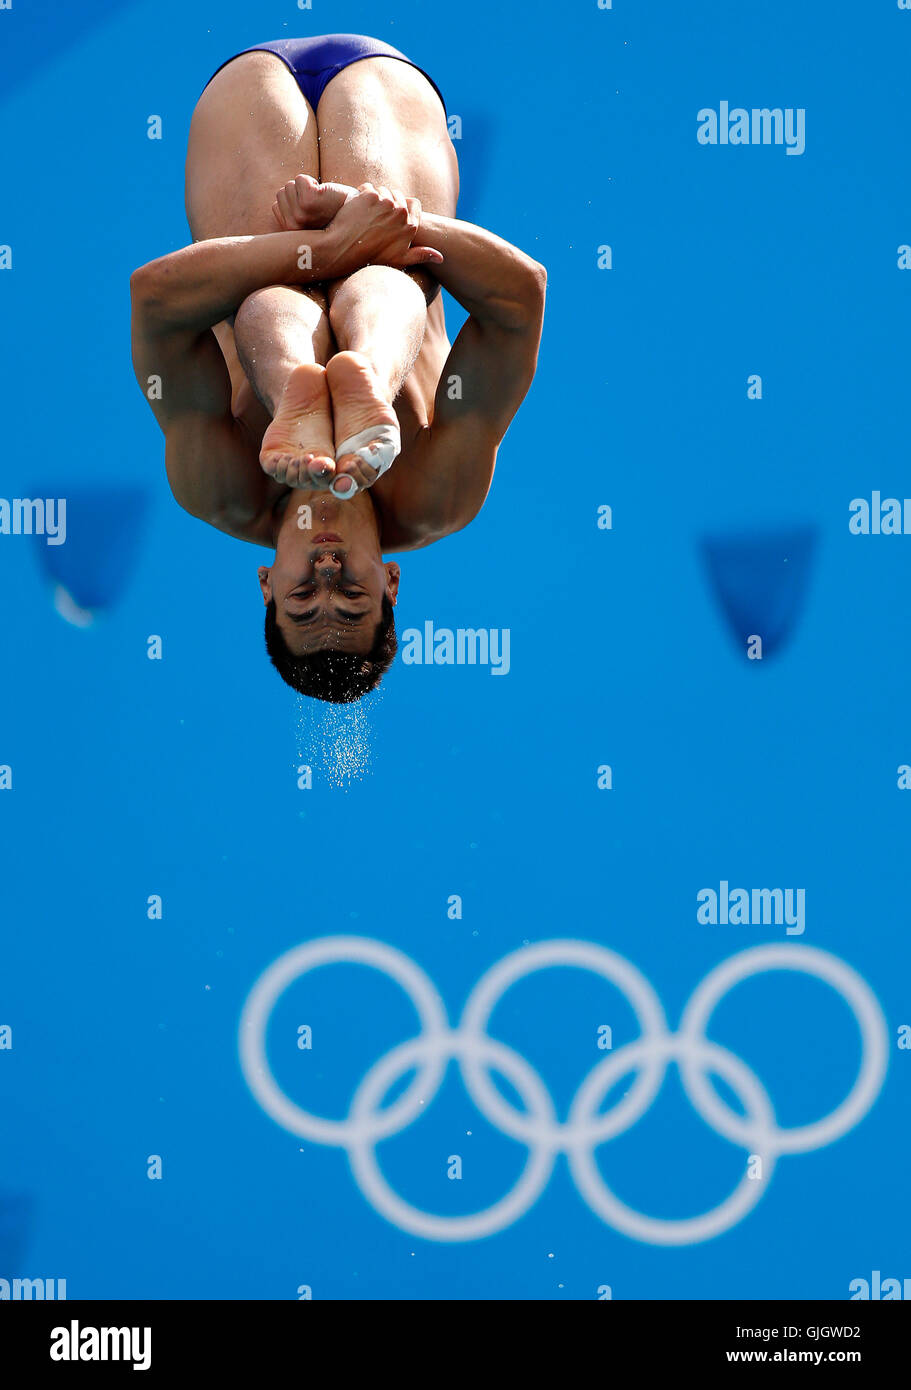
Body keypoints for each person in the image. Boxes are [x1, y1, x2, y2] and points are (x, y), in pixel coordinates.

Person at [130, 35, 545, 701]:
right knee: (383, 287)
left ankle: (301, 373)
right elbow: (519, 296)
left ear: (267, 584)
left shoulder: (222, 489)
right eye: (351, 596)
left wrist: (324, 246)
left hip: (248, 102)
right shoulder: (435, 497)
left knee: (272, 303)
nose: (326, 571)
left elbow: (154, 300)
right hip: (381, 98)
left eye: (301, 596)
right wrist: (384, 226)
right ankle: (368, 376)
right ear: (391, 582)